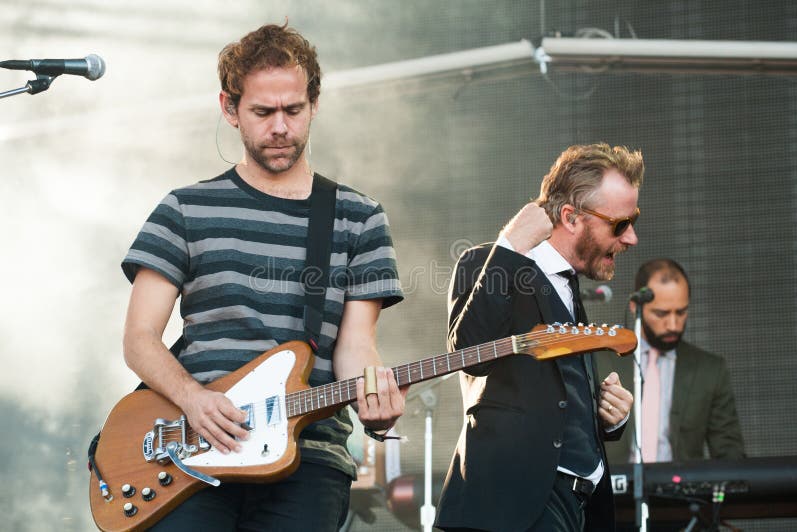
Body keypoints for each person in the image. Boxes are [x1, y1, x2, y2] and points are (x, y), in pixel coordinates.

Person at [121, 23, 406, 531]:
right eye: (263, 112)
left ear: (313, 103)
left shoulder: (359, 217)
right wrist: (193, 398)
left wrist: (373, 400)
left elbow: (356, 346)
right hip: (194, 448)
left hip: (307, 457)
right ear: (230, 109)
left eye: (293, 110)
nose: (280, 127)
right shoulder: (185, 209)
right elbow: (140, 338)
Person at [434, 143, 643, 532]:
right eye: (619, 224)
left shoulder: (568, 289)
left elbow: (557, 403)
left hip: (575, 508)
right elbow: (467, 353)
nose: (630, 238)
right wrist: (510, 245)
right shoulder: (490, 263)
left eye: (633, 221)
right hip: (506, 508)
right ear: (571, 217)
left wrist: (606, 418)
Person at [603, 259, 745, 465]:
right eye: (661, 313)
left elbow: (729, 451)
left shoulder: (710, 369)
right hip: (613, 491)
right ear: (635, 306)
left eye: (681, 312)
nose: (673, 325)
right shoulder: (601, 358)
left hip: (681, 492)